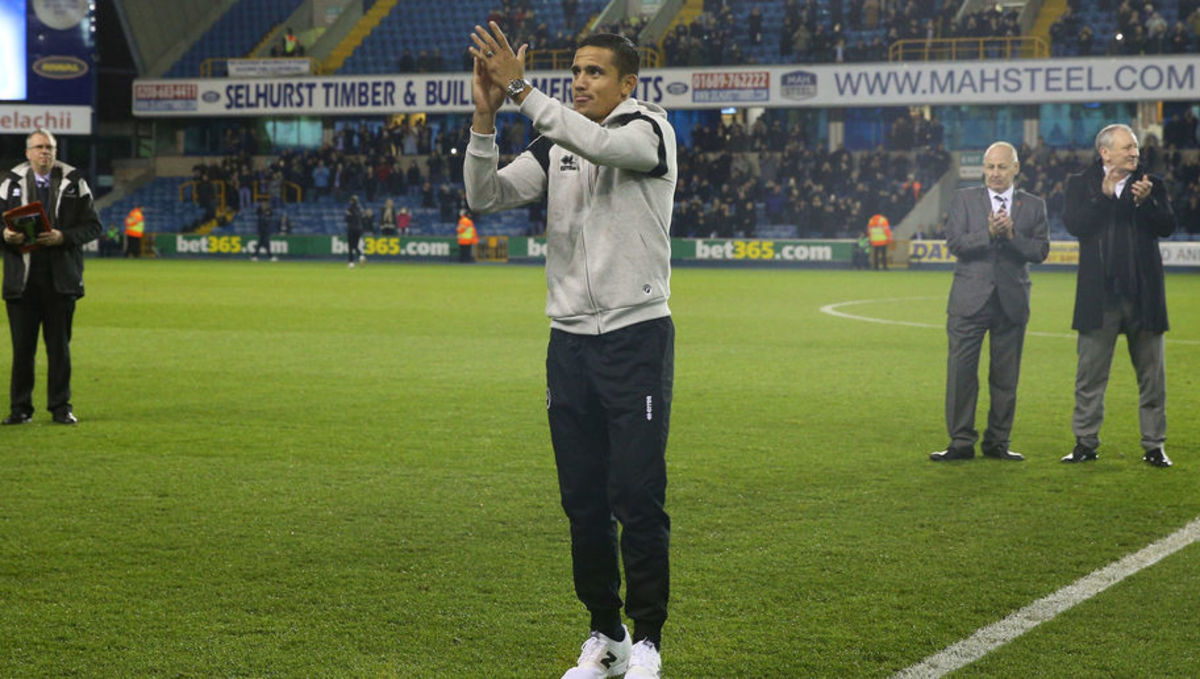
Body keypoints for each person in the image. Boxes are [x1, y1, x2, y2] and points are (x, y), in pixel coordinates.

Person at [464, 23, 676, 679]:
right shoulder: (556, 137)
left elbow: (602, 145)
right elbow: (485, 195)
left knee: (635, 494)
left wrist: (524, 90)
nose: (580, 81)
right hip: (569, 345)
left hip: (636, 338)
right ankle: (605, 635)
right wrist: (482, 120)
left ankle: (646, 641)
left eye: (594, 73)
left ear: (628, 83)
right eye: (576, 71)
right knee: (582, 500)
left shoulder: (649, 130)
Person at [1061, 124, 1176, 467]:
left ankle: (1154, 446)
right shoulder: (1080, 184)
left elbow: (1167, 225)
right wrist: (1104, 196)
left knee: (1152, 378)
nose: (1134, 152)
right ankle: (1085, 443)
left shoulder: (1153, 185)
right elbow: (1076, 225)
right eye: (1127, 147)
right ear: (1105, 152)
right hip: (1100, 298)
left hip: (1144, 296)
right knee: (1090, 378)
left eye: (1136, 147)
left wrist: (1146, 203)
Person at [930, 142, 1049, 462]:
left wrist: (1010, 235)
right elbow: (955, 243)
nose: (995, 174)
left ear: (1015, 169)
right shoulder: (964, 199)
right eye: (990, 167)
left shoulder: (1034, 206)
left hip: (1011, 302)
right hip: (969, 302)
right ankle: (960, 442)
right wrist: (989, 232)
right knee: (960, 374)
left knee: (1005, 377)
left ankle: (998, 442)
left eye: (1002, 167)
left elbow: (1040, 252)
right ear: (983, 169)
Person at [0, 128, 102, 425]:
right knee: (22, 351)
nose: (45, 152)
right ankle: (20, 408)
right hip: (22, 279)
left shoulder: (74, 181)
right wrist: (5, 235)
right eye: (39, 147)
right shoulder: (9, 183)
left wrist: (63, 236)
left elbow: (93, 226)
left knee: (59, 348)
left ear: (55, 152)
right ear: (28, 152)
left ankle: (60, 407)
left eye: (50, 147)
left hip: (61, 278)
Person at [345, 195, 365, 268]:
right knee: (355, 245)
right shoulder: (361, 209)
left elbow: (346, 219)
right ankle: (361, 256)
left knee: (351, 246)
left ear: (351, 201)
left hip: (351, 228)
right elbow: (363, 219)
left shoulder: (349, 209)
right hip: (359, 229)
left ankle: (351, 263)